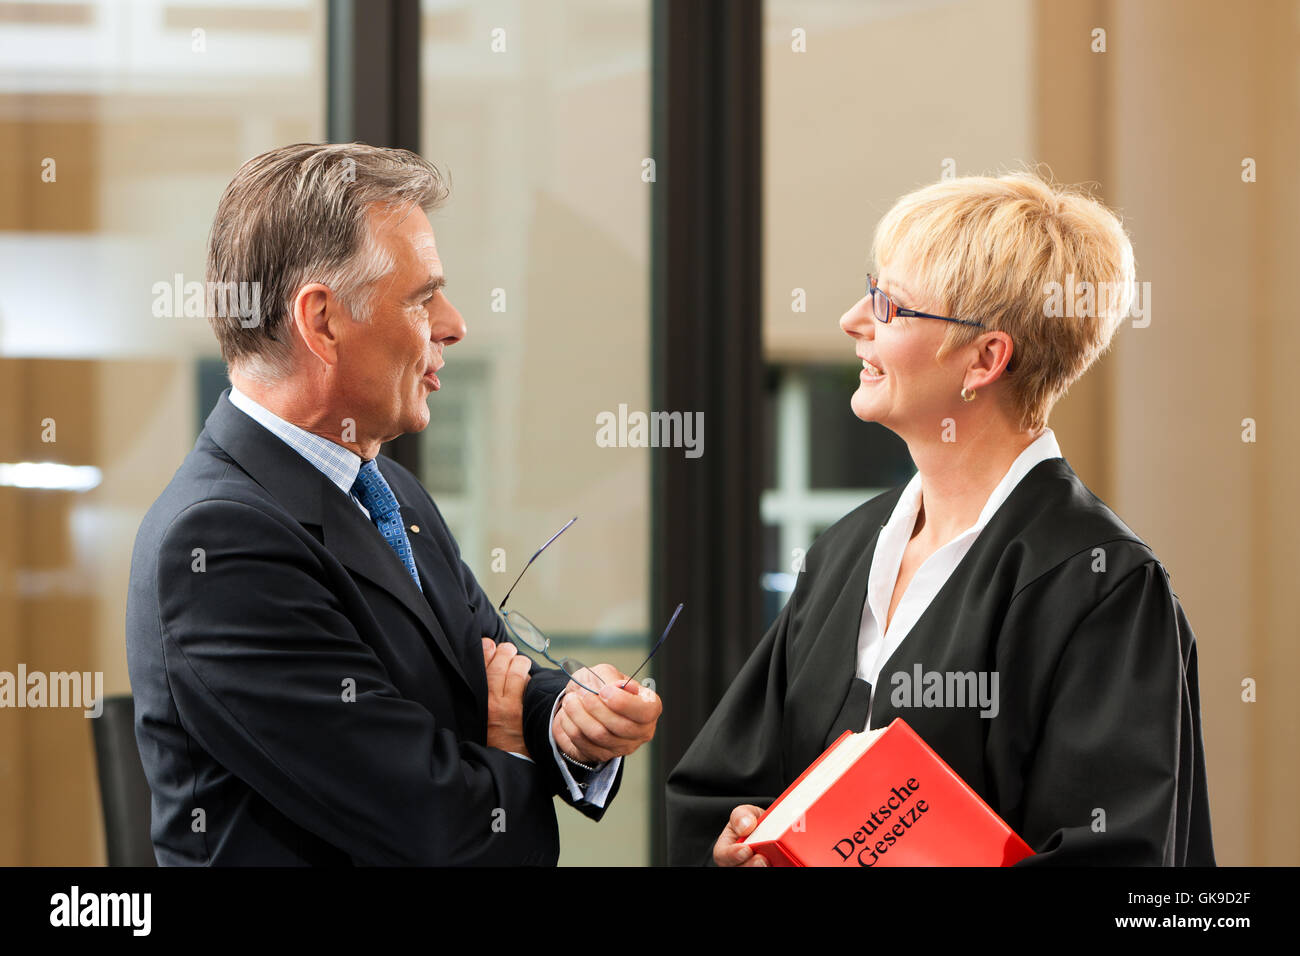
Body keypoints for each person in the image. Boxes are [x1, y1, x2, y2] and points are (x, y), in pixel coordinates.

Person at [126, 142, 660, 865]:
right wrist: (507, 745)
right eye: (421, 297)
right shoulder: (219, 544)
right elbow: (436, 828)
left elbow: (491, 665)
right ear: (322, 322)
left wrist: (572, 715)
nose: (454, 323)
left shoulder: (383, 487)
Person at [666, 171, 1214, 867]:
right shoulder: (848, 550)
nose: (852, 320)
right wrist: (737, 837)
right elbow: (720, 787)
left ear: (985, 360)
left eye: (889, 305)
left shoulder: (1103, 588)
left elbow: (1117, 861)